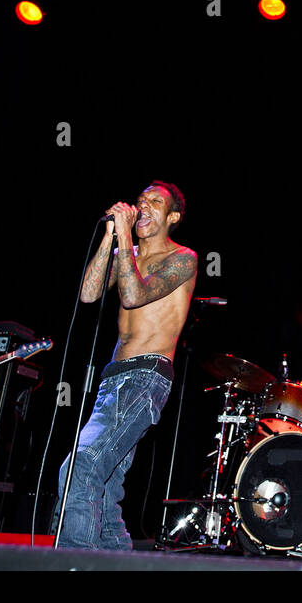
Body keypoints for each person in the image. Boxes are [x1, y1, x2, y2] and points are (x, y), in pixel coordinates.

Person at [52, 181, 197, 549]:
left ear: (173, 216)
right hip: (113, 379)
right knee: (105, 487)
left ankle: (77, 559)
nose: (142, 207)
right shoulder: (126, 253)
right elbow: (88, 293)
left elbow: (133, 296)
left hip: (146, 376)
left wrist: (122, 237)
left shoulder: (182, 258)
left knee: (80, 467)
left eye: (154, 202)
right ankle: (119, 560)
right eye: (140, 201)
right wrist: (111, 239)